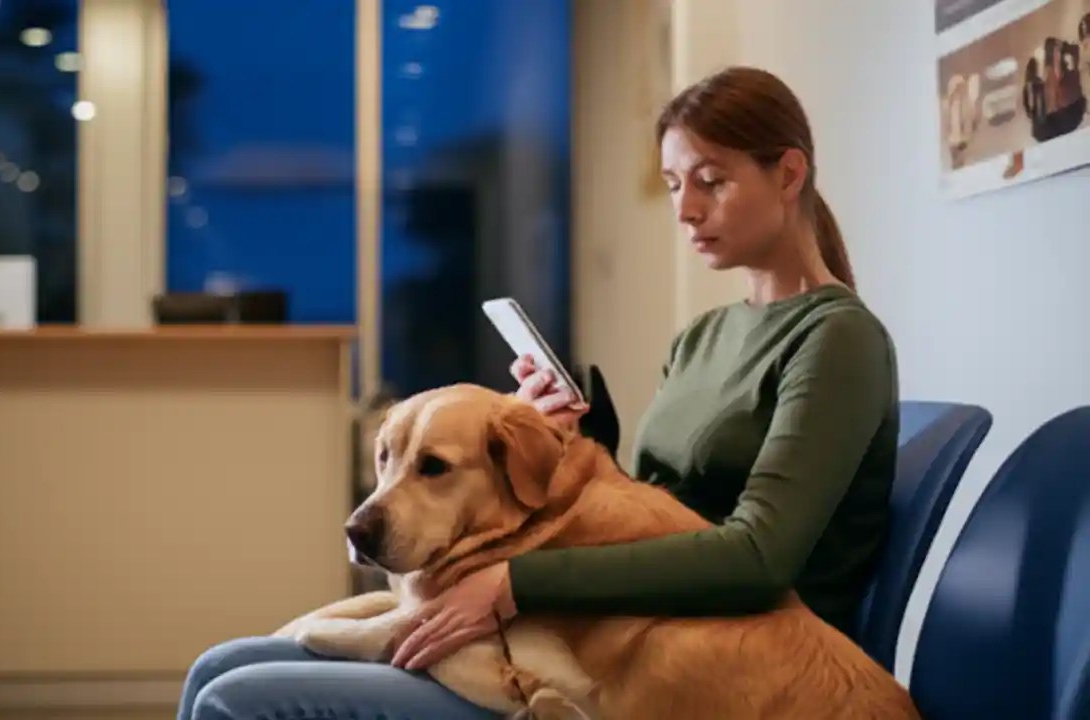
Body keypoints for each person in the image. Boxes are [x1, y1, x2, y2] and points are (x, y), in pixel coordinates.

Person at [176, 65, 899, 720]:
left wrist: (513, 583)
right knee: (219, 666)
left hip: (720, 664)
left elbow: (757, 558)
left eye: (710, 180)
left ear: (789, 173)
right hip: (611, 626)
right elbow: (654, 501)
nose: (685, 210)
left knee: (236, 699)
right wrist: (571, 433)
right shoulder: (704, 335)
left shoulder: (839, 340)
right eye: (675, 184)